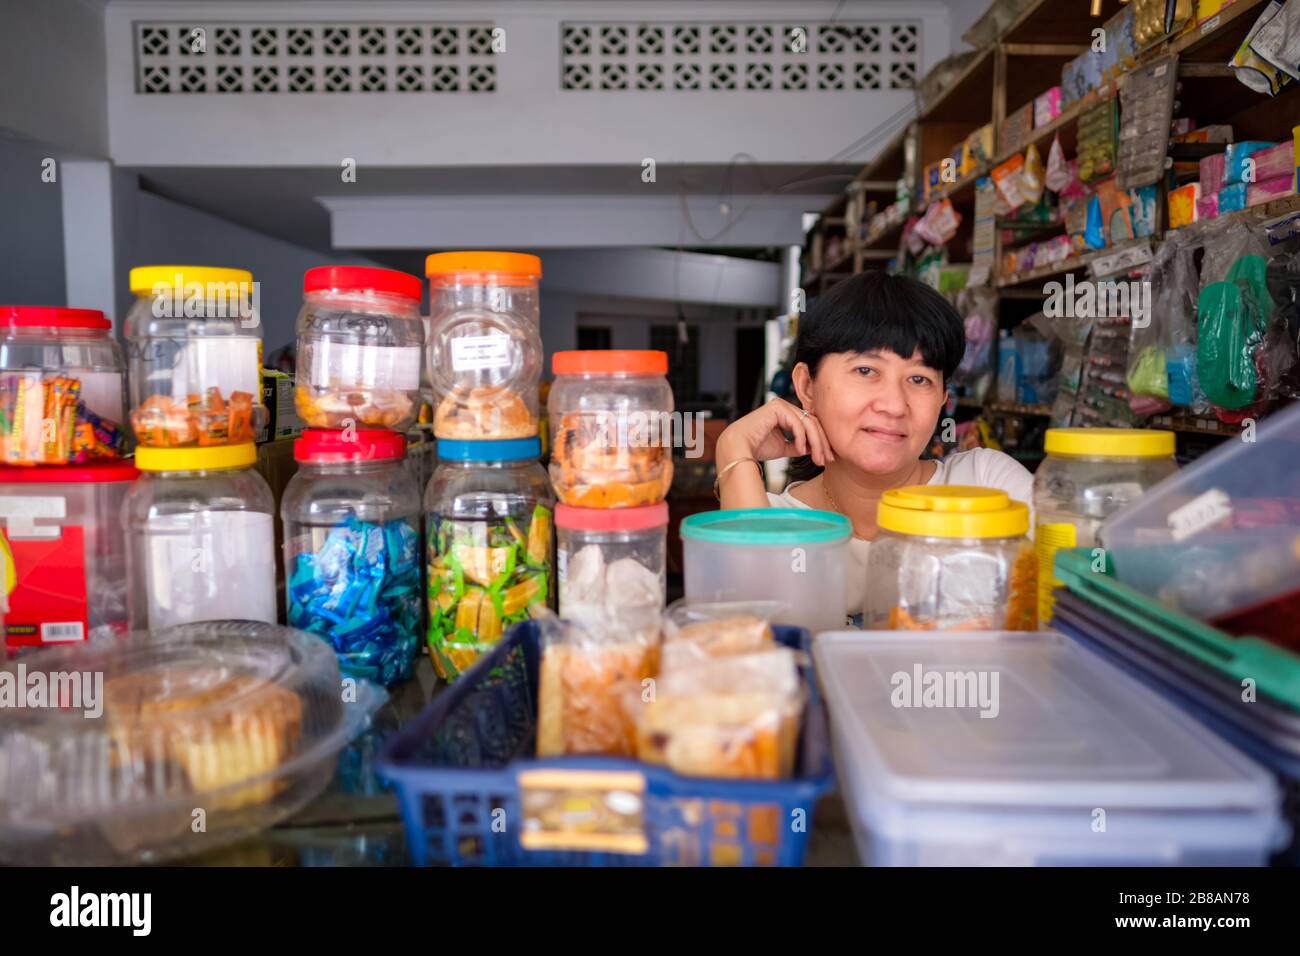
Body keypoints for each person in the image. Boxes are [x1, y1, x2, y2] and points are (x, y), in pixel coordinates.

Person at [715, 271, 1033, 619]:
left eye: (918, 379)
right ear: (807, 386)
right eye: (866, 371)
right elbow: (750, 638)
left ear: (943, 397)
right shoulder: (770, 519)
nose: (894, 405)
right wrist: (733, 447)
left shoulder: (987, 486)